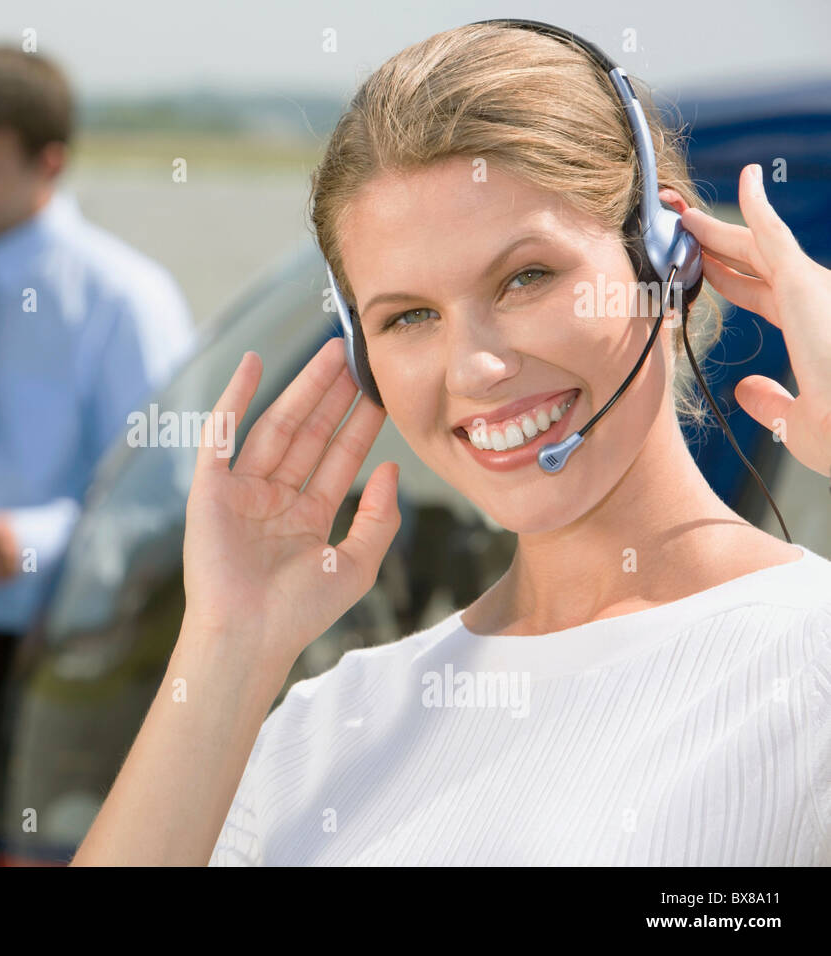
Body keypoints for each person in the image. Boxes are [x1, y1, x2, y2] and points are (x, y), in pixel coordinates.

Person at [70, 22, 831, 866]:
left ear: (668, 263)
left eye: (526, 278)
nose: (474, 370)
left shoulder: (810, 658)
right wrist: (229, 643)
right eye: (410, 317)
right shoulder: (324, 725)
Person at [0, 46, 196, 865]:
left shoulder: (124, 299)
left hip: (38, 650)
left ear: (48, 163)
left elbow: (161, 494)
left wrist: (33, 543)